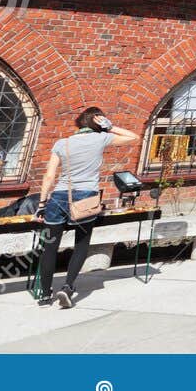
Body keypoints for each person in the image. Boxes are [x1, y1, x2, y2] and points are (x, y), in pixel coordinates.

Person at [34, 106, 140, 307]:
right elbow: (133, 137)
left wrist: (41, 203)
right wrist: (110, 127)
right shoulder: (100, 139)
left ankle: (45, 294)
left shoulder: (61, 143)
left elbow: (49, 176)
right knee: (81, 244)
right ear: (97, 122)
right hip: (85, 197)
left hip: (58, 197)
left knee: (49, 246)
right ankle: (67, 287)